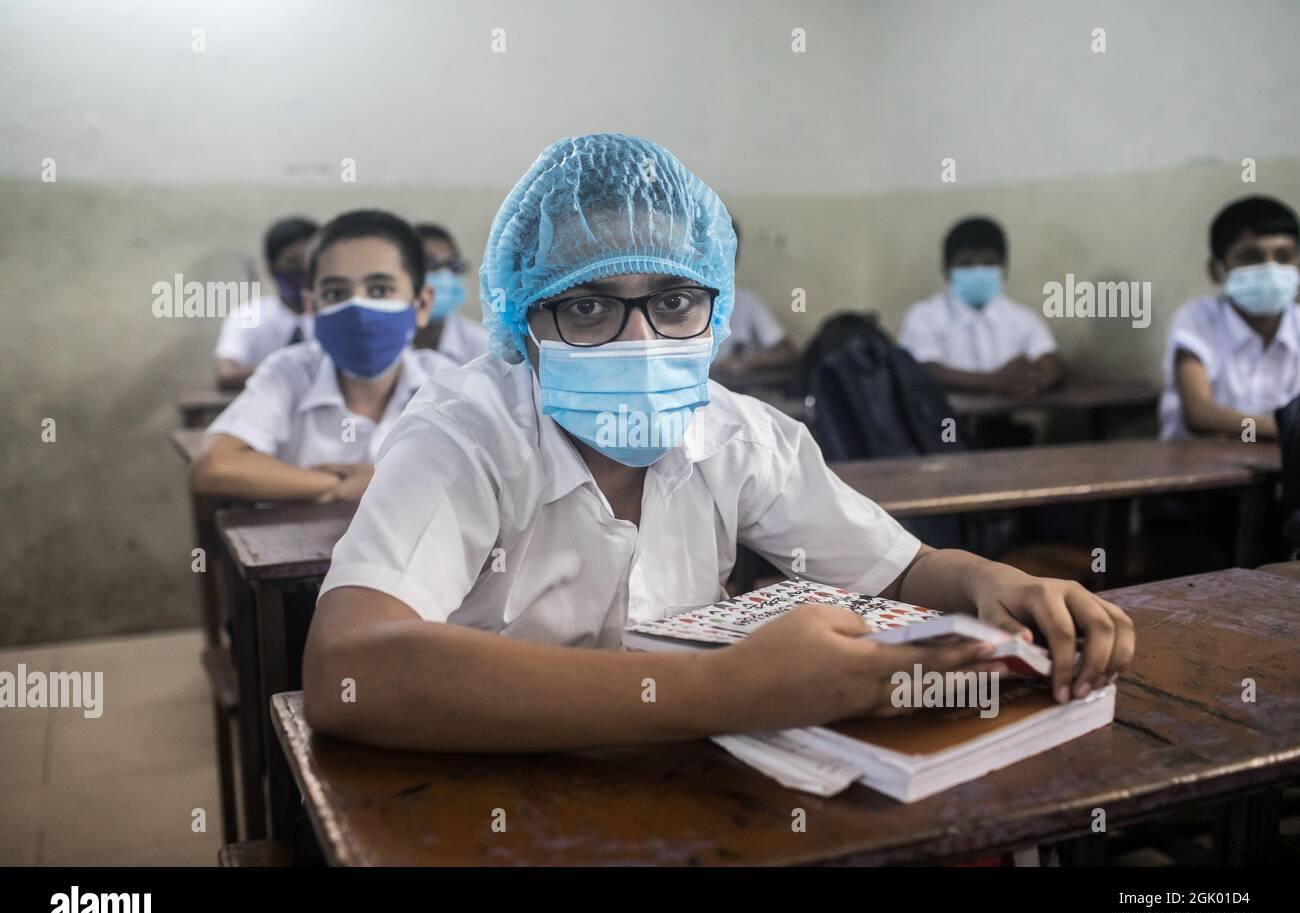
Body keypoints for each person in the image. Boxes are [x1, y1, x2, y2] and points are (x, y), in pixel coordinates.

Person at [302, 135, 1133, 752]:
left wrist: (996, 580)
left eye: (673, 302)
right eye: (587, 307)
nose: (639, 338)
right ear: (525, 320)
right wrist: (720, 689)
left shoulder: (737, 434)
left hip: (694, 789)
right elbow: (352, 668)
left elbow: (900, 568)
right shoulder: (468, 433)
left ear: (717, 309)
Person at [191, 210, 457, 504]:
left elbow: (480, 478)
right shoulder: (289, 373)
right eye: (335, 293)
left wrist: (376, 480)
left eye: (380, 289)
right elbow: (213, 466)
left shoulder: (445, 383)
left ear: (421, 304)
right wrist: (348, 487)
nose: (357, 308)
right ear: (312, 306)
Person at [1158, 195, 1300, 441]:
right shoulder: (1197, 319)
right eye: (1250, 257)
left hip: (1282, 467)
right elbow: (1199, 414)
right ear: (1216, 269)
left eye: (1283, 256)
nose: (1270, 269)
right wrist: (1287, 432)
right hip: (1199, 470)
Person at [899, 216, 1065, 398]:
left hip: (1002, 422)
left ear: (1004, 268)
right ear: (946, 269)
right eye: (966, 264)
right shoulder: (924, 316)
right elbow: (926, 372)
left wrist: (1040, 377)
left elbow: (1050, 359)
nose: (978, 272)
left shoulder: (1021, 317)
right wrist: (997, 381)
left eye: (988, 263)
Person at [213, 216, 319, 390]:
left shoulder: (340, 316)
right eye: (293, 262)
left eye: (310, 263)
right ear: (271, 269)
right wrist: (294, 372)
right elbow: (226, 374)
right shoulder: (248, 316)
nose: (302, 271)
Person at [710, 220, 797, 377]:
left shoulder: (747, 302)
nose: (720, 259)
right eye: (713, 250)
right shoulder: (675, 302)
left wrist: (747, 363)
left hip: (733, 392)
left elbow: (787, 353)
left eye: (728, 251)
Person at [412, 222, 491, 364]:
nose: (445, 276)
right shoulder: (383, 342)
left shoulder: (483, 346)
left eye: (453, 265)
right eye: (430, 264)